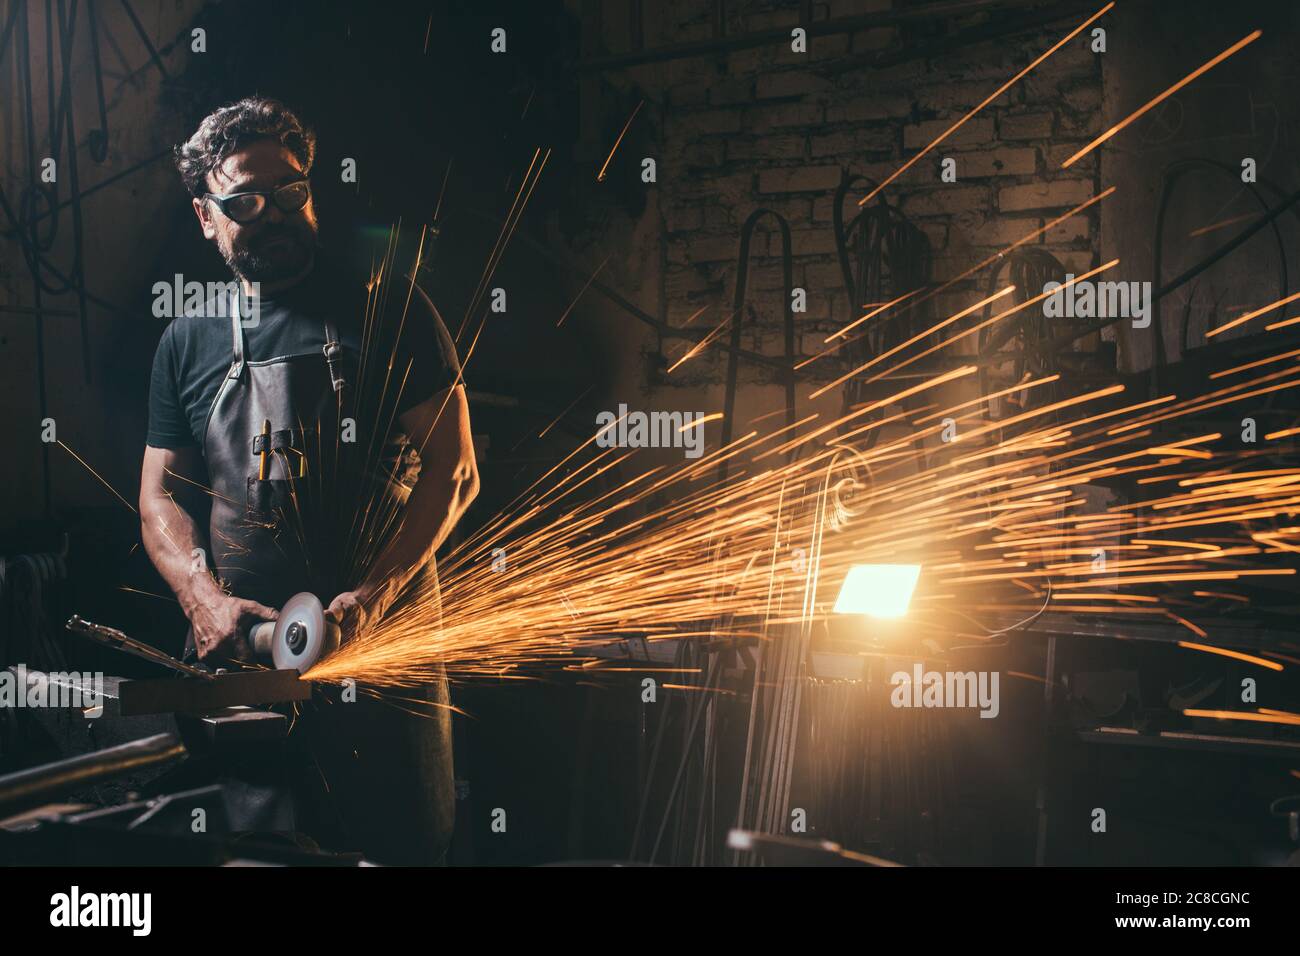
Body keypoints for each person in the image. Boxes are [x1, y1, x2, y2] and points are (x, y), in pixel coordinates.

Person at [140, 97, 478, 863]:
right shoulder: (187, 339)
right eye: (245, 201)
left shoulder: (387, 306)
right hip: (249, 669)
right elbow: (158, 495)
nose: (274, 213)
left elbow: (454, 471)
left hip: (382, 664)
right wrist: (203, 598)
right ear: (206, 217)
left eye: (291, 191)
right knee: (260, 857)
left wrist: (379, 592)